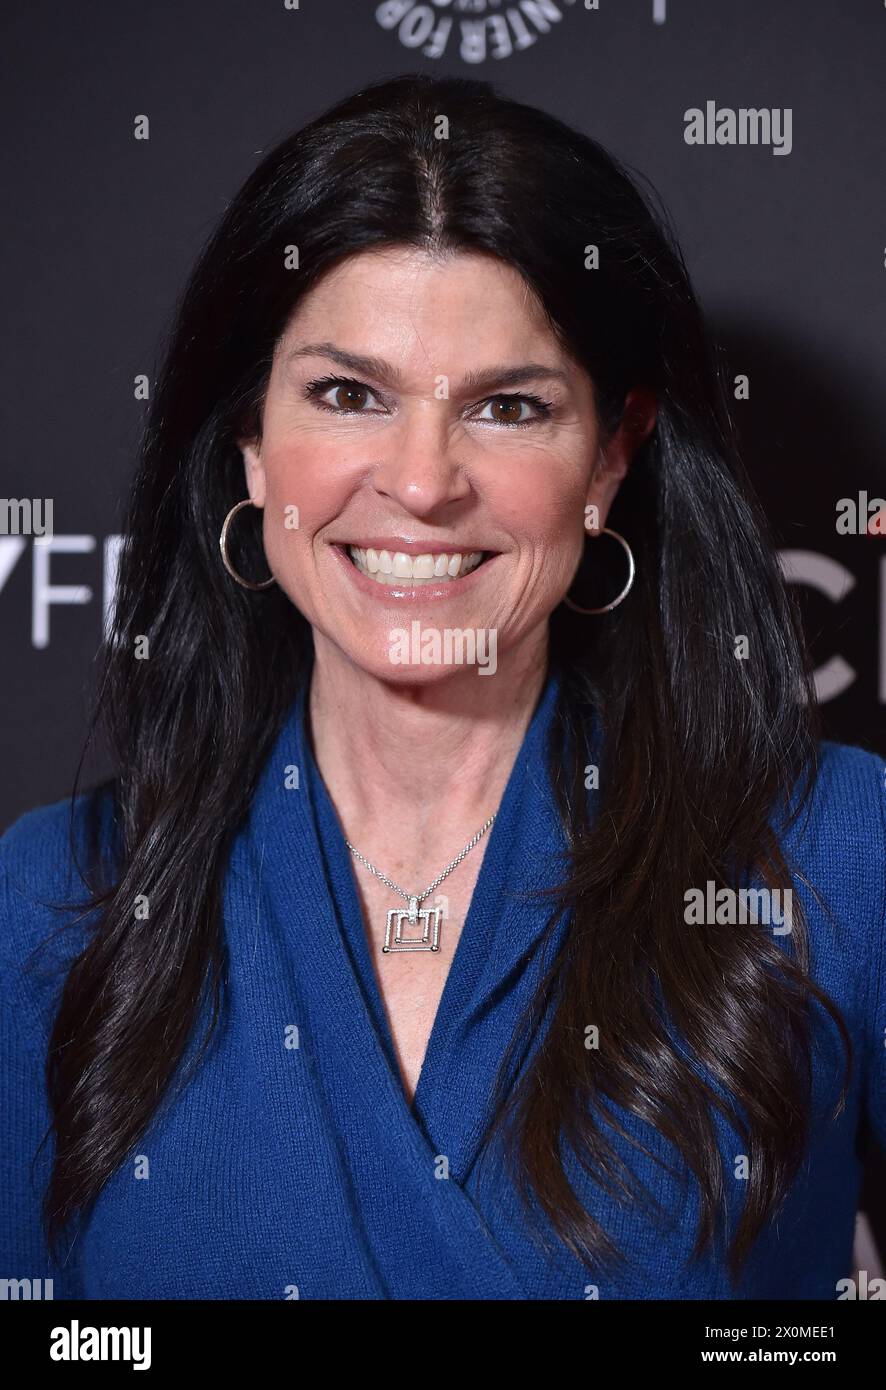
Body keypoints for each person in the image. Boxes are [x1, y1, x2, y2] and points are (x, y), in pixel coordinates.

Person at [1, 73, 883, 1300]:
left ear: (610, 456)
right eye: (347, 394)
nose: (422, 482)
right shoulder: (51, 902)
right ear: (251, 440)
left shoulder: (836, 856)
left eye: (508, 407)